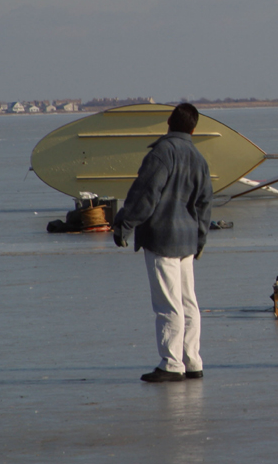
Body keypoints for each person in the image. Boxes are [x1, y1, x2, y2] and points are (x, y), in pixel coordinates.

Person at [113, 103, 213, 383]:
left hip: (162, 238)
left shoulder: (162, 153)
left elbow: (145, 195)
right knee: (188, 302)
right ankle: (192, 360)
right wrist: (200, 239)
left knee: (168, 303)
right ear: (193, 129)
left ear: (169, 122)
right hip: (187, 241)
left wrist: (124, 225)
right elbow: (205, 204)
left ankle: (171, 364)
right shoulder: (198, 158)